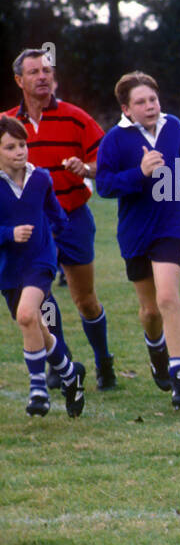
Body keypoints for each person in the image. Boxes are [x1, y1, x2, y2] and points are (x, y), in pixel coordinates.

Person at [94, 71, 180, 410]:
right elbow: (105, 185)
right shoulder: (115, 139)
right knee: (150, 309)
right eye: (140, 102)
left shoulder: (173, 127)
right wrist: (140, 172)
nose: (149, 106)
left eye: (153, 99)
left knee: (170, 296)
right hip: (136, 231)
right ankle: (156, 349)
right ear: (126, 109)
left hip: (172, 223)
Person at [7, 48, 115, 389]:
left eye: (47, 70)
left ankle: (104, 361)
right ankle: (62, 363)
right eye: (34, 71)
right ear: (19, 80)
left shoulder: (76, 118)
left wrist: (86, 169)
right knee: (42, 299)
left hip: (72, 218)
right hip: (32, 229)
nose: (43, 76)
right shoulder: (7, 125)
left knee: (85, 298)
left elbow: (104, 164)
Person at [0, 115, 86, 417]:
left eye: (22, 145)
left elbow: (58, 217)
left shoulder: (41, 178)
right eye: (10, 147)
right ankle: (70, 373)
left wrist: (54, 241)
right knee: (34, 325)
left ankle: (37, 388)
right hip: (9, 268)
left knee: (27, 314)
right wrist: (9, 234)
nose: (19, 152)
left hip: (40, 261)